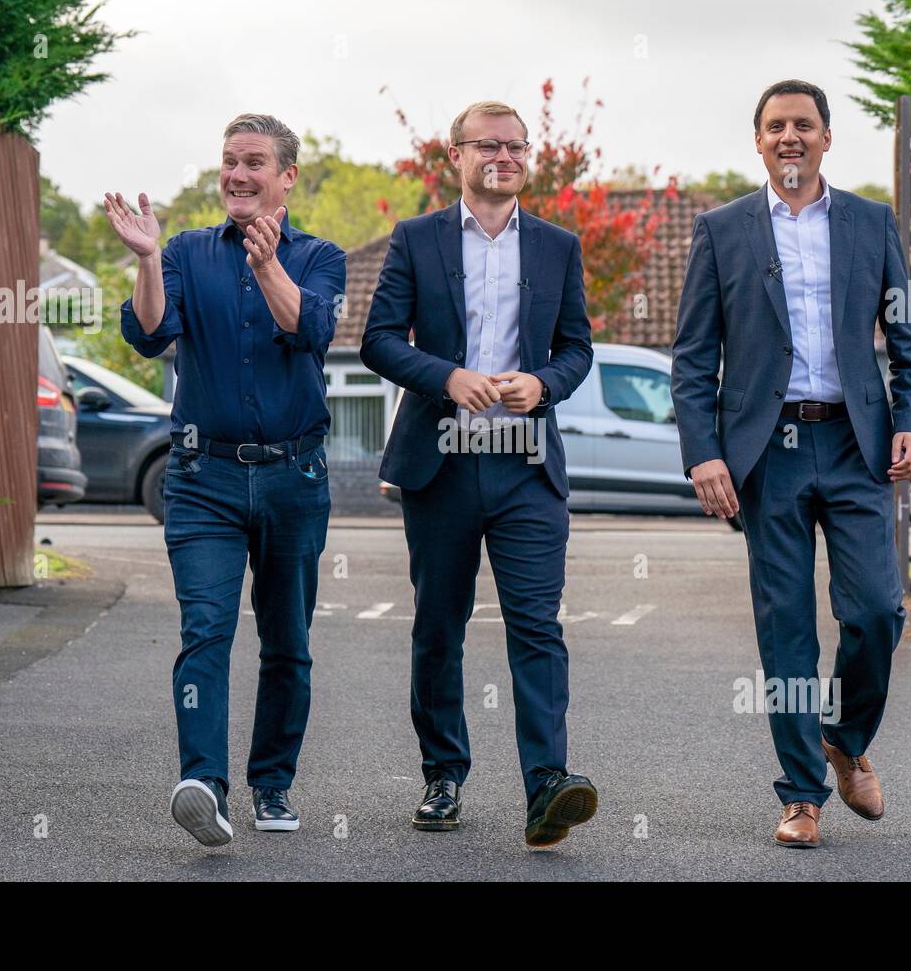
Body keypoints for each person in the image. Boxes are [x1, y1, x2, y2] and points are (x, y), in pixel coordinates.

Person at [672, 80, 911, 848]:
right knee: (785, 629)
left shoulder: (870, 223)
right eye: (776, 126)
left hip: (857, 447)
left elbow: (909, 344)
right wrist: (704, 453)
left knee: (878, 612)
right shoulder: (722, 230)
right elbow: (692, 358)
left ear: (826, 137)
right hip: (767, 455)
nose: (791, 136)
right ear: (758, 141)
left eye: (805, 125)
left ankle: (846, 740)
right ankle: (800, 795)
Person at [360, 100, 597, 848]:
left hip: (527, 469)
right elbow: (375, 341)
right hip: (442, 467)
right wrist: (446, 376)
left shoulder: (558, 246)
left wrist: (546, 384)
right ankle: (442, 776)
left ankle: (547, 786)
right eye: (487, 145)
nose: (504, 155)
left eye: (516, 146)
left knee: (536, 626)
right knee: (439, 627)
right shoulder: (418, 239)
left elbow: (578, 347)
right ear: (455, 157)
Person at [106, 113, 346, 846]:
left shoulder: (320, 256)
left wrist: (266, 263)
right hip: (201, 476)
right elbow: (150, 334)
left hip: (293, 477)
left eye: (254, 163)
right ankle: (203, 786)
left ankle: (271, 784)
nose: (238, 175)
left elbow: (310, 330)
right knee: (204, 628)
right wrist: (147, 260)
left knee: (287, 642)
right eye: (229, 161)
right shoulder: (183, 251)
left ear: (286, 177)